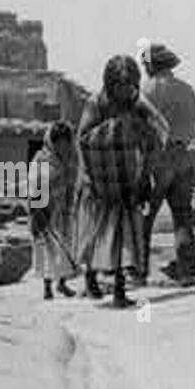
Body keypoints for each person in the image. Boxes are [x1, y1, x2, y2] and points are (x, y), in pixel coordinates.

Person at [75, 54, 168, 308]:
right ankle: (91, 276)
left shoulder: (138, 105)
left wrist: (140, 130)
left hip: (127, 182)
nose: (125, 91)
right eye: (120, 86)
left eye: (130, 86)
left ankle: (118, 289)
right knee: (99, 237)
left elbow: (158, 131)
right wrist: (117, 128)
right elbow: (83, 140)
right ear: (110, 83)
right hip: (98, 183)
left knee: (124, 238)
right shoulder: (95, 104)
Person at [140, 43, 195, 284]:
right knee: (182, 219)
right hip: (182, 157)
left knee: (143, 219)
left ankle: (139, 273)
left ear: (151, 65)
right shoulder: (188, 90)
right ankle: (186, 273)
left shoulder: (145, 90)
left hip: (156, 159)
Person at [29, 121, 78, 300]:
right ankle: (47, 287)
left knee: (65, 247)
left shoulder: (71, 160)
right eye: (60, 143)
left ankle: (62, 283)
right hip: (46, 212)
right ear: (52, 142)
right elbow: (35, 187)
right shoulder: (41, 159)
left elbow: (73, 183)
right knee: (47, 250)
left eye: (66, 142)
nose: (63, 147)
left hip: (64, 212)